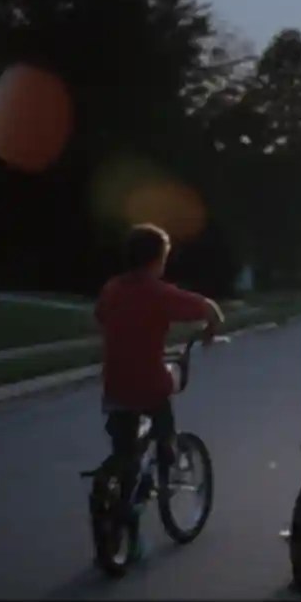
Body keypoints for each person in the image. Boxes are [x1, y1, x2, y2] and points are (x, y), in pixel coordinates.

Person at [95, 223, 224, 558]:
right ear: (157, 260)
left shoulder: (111, 289)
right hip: (150, 384)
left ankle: (121, 519)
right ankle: (167, 454)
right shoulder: (160, 293)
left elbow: (101, 317)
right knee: (163, 427)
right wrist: (210, 330)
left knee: (125, 452)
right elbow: (211, 309)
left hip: (115, 384)